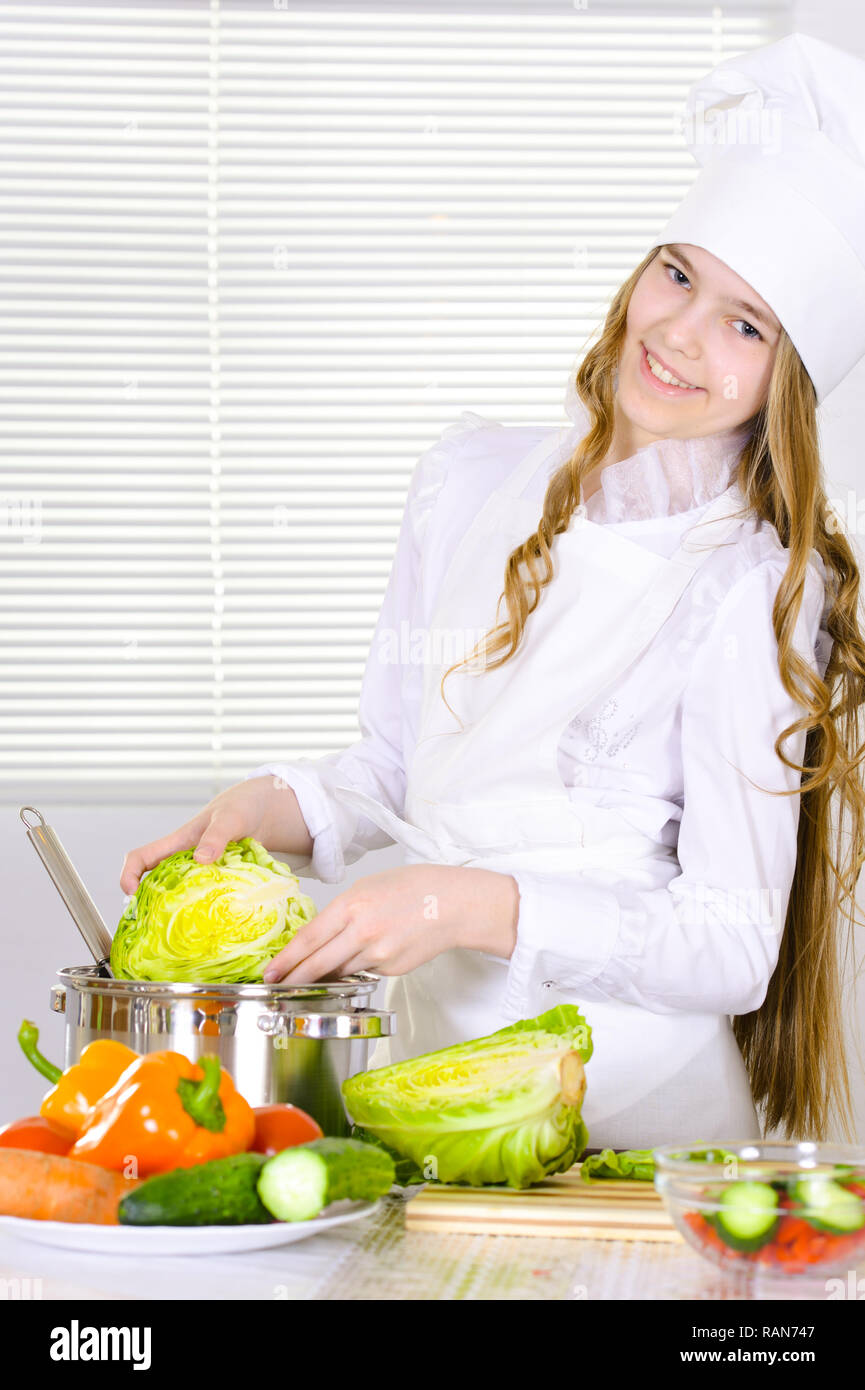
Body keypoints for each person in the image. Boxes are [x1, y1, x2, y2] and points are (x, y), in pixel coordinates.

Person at [122, 33, 865, 1147]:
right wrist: (264, 809)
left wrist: (456, 901)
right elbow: (395, 769)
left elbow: (728, 945)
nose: (677, 331)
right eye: (676, 273)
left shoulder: (749, 588)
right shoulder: (466, 482)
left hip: (630, 1105)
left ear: (787, 386)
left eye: (743, 323)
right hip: (442, 1075)